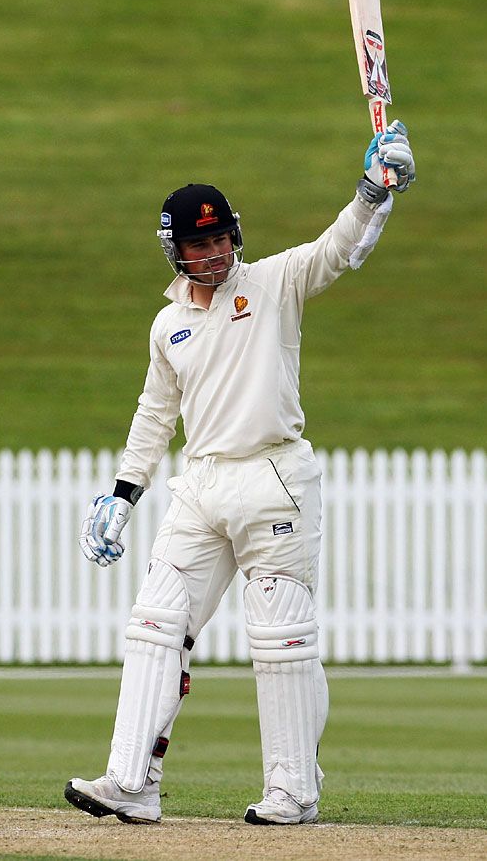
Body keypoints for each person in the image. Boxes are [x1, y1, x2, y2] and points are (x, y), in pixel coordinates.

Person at [64, 122, 415, 825]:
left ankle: (293, 791)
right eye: (200, 242)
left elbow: (337, 251)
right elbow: (154, 414)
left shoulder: (275, 282)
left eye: (223, 236)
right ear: (176, 250)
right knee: (154, 625)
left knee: (281, 641)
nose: (217, 251)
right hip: (200, 488)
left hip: (275, 478)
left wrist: (374, 191)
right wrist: (122, 495)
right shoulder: (168, 327)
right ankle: (132, 783)